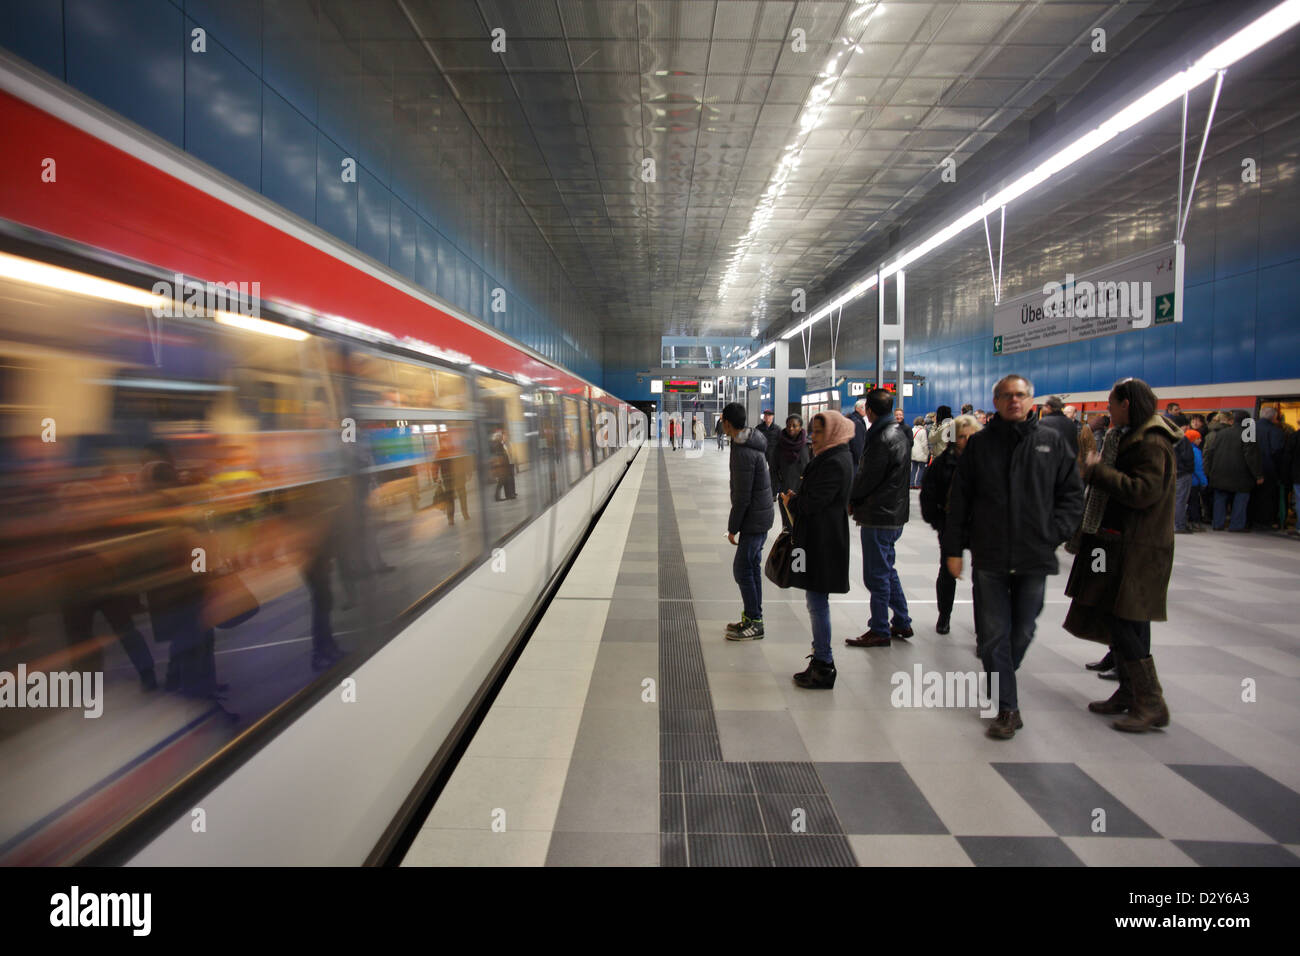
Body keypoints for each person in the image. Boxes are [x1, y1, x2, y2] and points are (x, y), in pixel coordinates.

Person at [942, 374, 1084, 739]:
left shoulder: (1051, 442)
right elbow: (960, 501)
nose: (1013, 401)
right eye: (1006, 396)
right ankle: (1007, 707)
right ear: (996, 401)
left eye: (1019, 395)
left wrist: (1055, 532)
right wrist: (953, 550)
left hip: (1033, 555)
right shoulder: (980, 445)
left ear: (1031, 399)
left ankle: (999, 676)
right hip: (989, 555)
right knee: (992, 635)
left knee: (1022, 629)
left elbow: (1071, 495)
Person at [1064, 378, 1179, 732]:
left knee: (1129, 622)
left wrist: (1099, 471)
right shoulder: (1131, 436)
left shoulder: (1151, 442)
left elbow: (1143, 492)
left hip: (1138, 547)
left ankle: (1150, 702)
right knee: (1122, 619)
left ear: (1127, 404)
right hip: (1119, 543)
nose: (1107, 410)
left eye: (1111, 403)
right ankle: (1130, 693)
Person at [781, 410, 855, 689]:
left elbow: (815, 502)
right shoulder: (833, 457)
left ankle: (824, 663)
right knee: (815, 599)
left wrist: (793, 503)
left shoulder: (835, 461)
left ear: (835, 431)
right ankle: (820, 659)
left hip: (823, 541)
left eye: (821, 431)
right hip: (820, 536)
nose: (815, 436)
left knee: (817, 602)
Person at [845, 388, 912, 648]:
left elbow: (867, 477)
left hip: (879, 514)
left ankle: (880, 628)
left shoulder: (881, 437)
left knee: (876, 575)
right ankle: (902, 620)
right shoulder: (898, 433)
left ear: (870, 411)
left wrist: (852, 499)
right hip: (894, 513)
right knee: (887, 569)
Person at [920, 414, 981, 635]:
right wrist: (937, 522)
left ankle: (983, 627)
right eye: (961, 436)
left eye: (970, 437)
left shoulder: (987, 463)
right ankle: (944, 615)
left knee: (982, 578)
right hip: (950, 524)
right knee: (947, 573)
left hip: (981, 527)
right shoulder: (942, 463)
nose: (966, 441)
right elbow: (928, 494)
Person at [721, 403, 774, 640]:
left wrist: (732, 528)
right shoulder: (747, 440)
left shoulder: (743, 450)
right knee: (751, 567)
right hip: (760, 514)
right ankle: (752, 618)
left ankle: (755, 622)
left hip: (755, 517)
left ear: (728, 423)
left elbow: (742, 497)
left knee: (741, 568)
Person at [1203, 409, 1261, 532]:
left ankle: (1217, 524)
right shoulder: (1248, 435)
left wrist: (1209, 471)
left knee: (1220, 499)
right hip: (1241, 475)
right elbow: (1251, 457)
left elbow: (1210, 453)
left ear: (1232, 420)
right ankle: (1236, 525)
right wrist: (1258, 475)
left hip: (1219, 473)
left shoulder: (1220, 433)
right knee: (1240, 499)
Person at [1253, 406, 1285, 530]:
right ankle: (1265, 521)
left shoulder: (1249, 429)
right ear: (1274, 417)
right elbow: (1277, 451)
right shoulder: (1276, 431)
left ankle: (1251, 519)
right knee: (1268, 496)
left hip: (1251, 468)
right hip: (1269, 469)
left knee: (1252, 495)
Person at [771, 415, 811, 495]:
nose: (790, 428)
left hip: (805, 490)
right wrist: (777, 487)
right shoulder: (780, 446)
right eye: (788, 426)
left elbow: (814, 468)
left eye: (794, 426)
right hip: (786, 489)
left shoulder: (808, 446)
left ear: (800, 427)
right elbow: (773, 469)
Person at [755, 409, 781, 492]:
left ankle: (773, 492)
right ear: (764, 417)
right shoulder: (758, 428)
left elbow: (780, 442)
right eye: (766, 415)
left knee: (773, 473)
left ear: (772, 417)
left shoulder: (777, 429)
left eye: (769, 416)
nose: (768, 417)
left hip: (773, 454)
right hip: (761, 453)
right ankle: (759, 489)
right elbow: (755, 440)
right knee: (760, 471)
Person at [490, 425, 517, 501]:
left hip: (503, 466)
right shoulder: (498, 445)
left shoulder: (499, 445)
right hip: (501, 466)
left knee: (503, 481)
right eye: (503, 436)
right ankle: (497, 497)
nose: (504, 437)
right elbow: (499, 455)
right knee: (501, 482)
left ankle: (506, 495)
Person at [909, 416, 930, 488]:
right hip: (921, 453)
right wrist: (927, 452)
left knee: (914, 468)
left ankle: (911, 483)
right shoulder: (923, 431)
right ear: (922, 422)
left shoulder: (912, 429)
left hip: (913, 453)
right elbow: (924, 443)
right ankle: (918, 483)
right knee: (921, 468)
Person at [847, 398, 868, 467]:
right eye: (865, 408)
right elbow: (858, 444)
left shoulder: (853, 419)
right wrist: (861, 461)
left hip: (851, 459)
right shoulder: (857, 422)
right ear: (858, 408)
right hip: (855, 462)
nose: (867, 411)